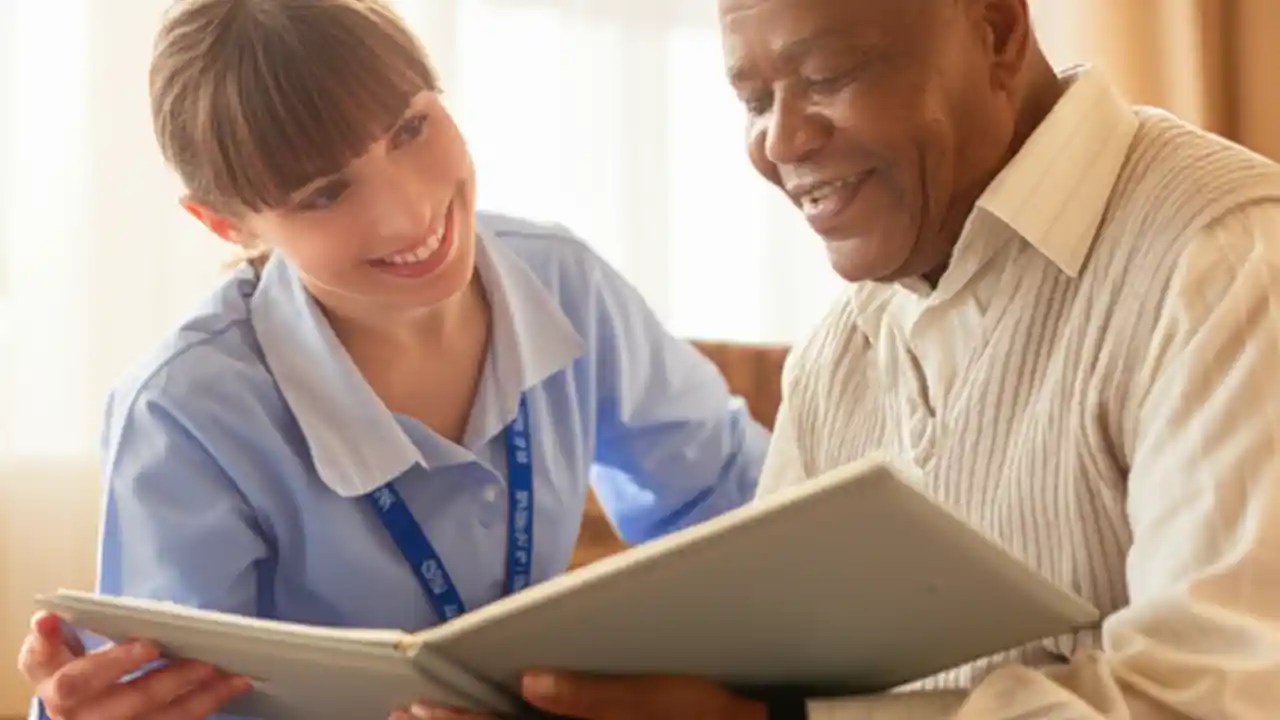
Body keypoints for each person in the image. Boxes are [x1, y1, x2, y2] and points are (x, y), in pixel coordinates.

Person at [420, 0, 1280, 718]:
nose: (780, 143)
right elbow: (776, 676)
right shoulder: (840, 355)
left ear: (996, 28)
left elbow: (1212, 703)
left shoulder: (1227, 262)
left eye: (828, 77)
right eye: (754, 99)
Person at [14, 1, 769, 718]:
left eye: (410, 129)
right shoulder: (186, 410)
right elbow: (159, 693)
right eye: (324, 193)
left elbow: (739, 504)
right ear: (225, 223)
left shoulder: (563, 281)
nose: (409, 212)